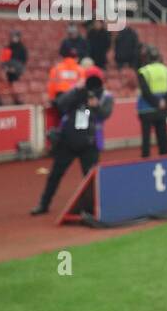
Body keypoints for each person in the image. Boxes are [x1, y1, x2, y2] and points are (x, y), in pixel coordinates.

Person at [31, 71, 112, 215]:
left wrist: (95, 106)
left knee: (91, 178)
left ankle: (94, 207)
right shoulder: (78, 94)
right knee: (55, 175)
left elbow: (104, 114)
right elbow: (59, 104)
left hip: (88, 143)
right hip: (68, 141)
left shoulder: (106, 96)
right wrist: (76, 89)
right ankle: (43, 204)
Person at [136, 47, 167, 158]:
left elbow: (145, 91)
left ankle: (145, 159)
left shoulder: (143, 71)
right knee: (163, 137)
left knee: (146, 138)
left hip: (146, 109)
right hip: (162, 109)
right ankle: (165, 158)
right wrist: (163, 102)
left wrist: (155, 102)